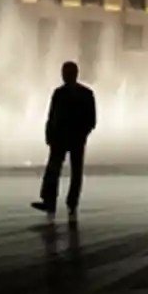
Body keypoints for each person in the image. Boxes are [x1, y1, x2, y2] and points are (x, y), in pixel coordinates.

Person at [32, 61, 97, 221]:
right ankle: (57, 201)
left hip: (69, 137)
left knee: (65, 170)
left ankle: (62, 202)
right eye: (64, 73)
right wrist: (49, 134)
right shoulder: (68, 93)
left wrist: (82, 133)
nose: (64, 76)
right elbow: (52, 116)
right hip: (63, 137)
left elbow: (91, 119)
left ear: (73, 74)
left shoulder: (80, 93)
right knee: (60, 170)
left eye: (66, 73)